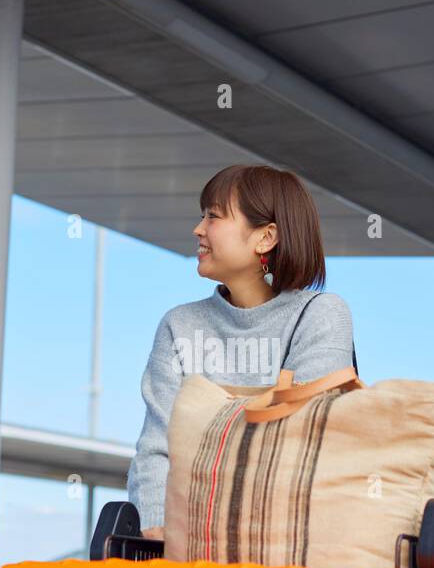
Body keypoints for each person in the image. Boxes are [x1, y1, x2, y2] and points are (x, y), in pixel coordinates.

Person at [128, 164, 355, 540]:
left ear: (265, 238)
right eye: (202, 216)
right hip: (184, 547)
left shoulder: (321, 316)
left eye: (213, 216)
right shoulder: (178, 325)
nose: (198, 229)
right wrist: (156, 529)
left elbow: (299, 444)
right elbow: (157, 448)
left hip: (284, 544)